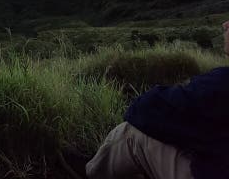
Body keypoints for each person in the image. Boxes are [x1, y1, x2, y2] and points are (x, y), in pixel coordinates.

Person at [85, 20, 229, 179]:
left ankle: (92, 173)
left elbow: (147, 107)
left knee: (132, 132)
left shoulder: (222, 83)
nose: (225, 25)